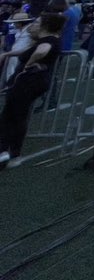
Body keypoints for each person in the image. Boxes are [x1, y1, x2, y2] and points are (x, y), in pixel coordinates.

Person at [0, 12, 65, 168]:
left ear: (45, 26)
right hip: (31, 82)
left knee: (12, 117)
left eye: (37, 22)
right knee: (16, 116)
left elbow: (42, 50)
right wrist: (9, 53)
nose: (33, 24)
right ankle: (10, 152)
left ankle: (8, 152)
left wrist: (29, 63)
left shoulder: (48, 40)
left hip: (28, 82)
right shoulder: (48, 39)